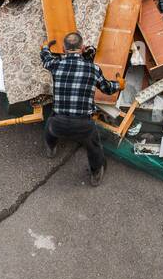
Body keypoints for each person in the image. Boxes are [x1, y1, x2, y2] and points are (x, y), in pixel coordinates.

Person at [39, 31, 121, 185]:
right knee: (94, 147)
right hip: (83, 126)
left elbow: (45, 59)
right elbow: (108, 89)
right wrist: (119, 84)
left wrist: (45, 48)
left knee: (49, 125)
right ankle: (96, 174)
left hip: (58, 124)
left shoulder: (55, 64)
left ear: (63, 50)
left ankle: (50, 148)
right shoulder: (93, 69)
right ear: (82, 48)